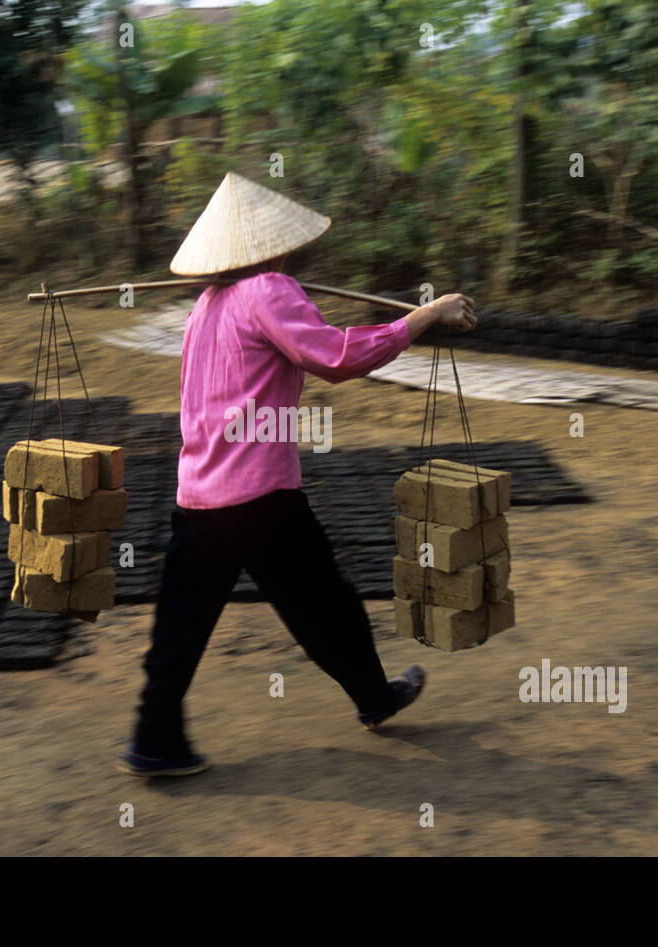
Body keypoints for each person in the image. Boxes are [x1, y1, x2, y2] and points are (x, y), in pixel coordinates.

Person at [120, 172, 477, 777]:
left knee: (180, 621)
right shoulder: (270, 289)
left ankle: (154, 739)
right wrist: (426, 315)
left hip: (199, 493)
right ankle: (373, 696)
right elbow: (338, 357)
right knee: (325, 605)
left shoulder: (204, 307)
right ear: (271, 246)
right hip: (259, 496)